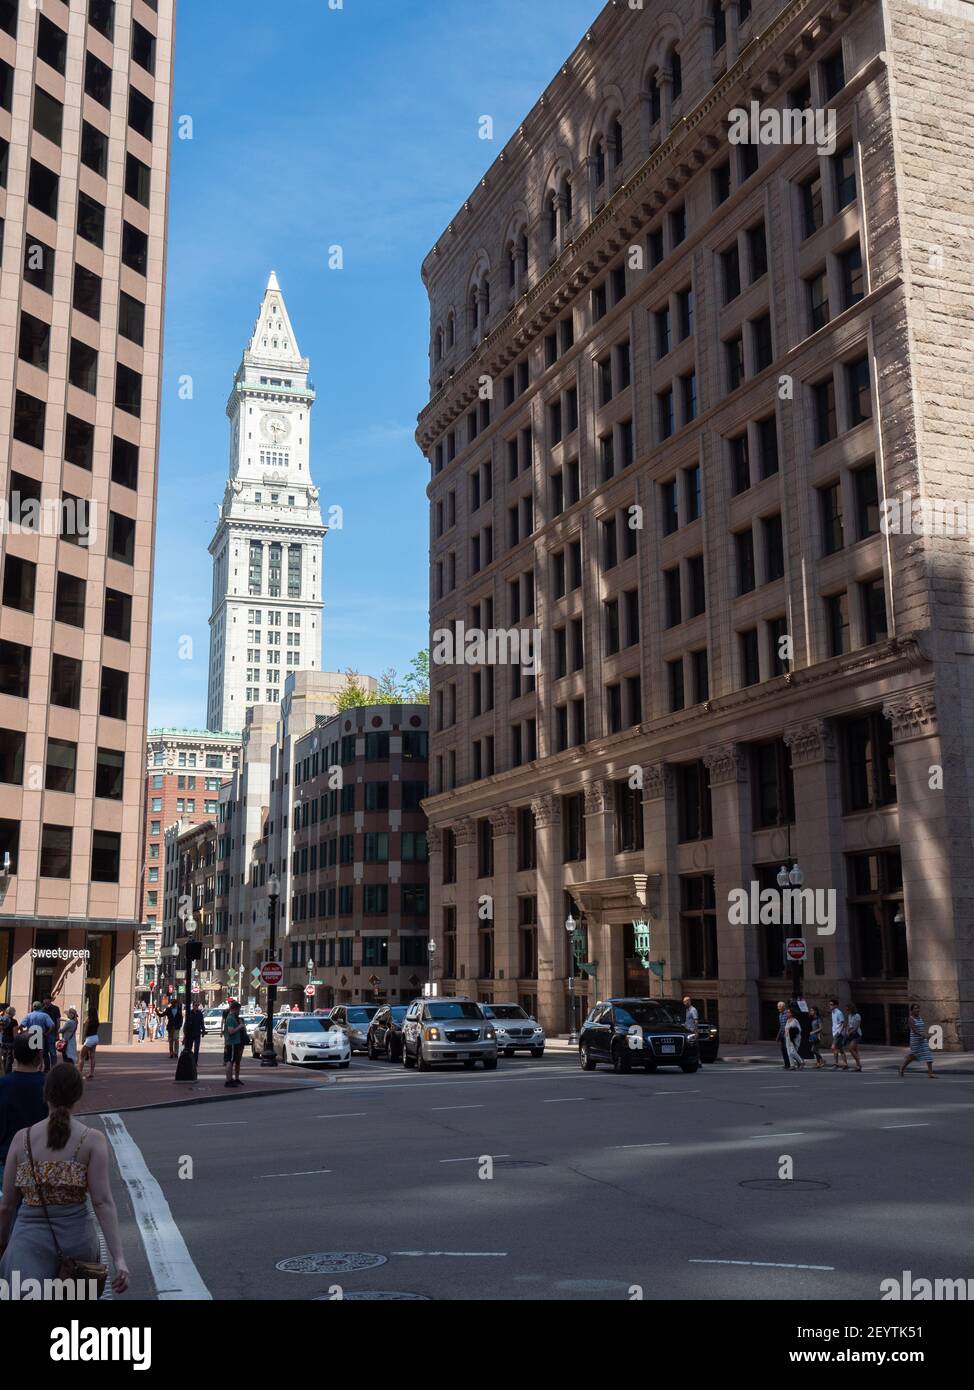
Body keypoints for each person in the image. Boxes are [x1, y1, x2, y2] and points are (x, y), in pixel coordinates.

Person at [0, 1063, 129, 1295]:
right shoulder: (92, 1140)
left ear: (45, 1094)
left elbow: (7, 1205)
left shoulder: (22, 1139)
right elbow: (102, 1202)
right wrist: (119, 1259)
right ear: (78, 1096)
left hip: (27, 1246)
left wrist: (2, 1244)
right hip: (77, 1244)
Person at [0, 1037, 47, 1168]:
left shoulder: (3, 1085)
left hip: (8, 1155)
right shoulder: (49, 1084)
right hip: (42, 1156)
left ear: (14, 1055)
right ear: (38, 1056)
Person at [899, 1004, 936, 1078]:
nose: (917, 1010)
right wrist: (922, 1035)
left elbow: (921, 1028)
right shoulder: (911, 1019)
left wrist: (924, 1035)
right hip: (915, 1040)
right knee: (913, 1056)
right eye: (915, 1008)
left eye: (918, 1008)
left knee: (928, 1055)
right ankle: (902, 1068)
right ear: (912, 1010)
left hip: (922, 1040)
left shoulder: (920, 1018)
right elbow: (914, 1030)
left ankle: (930, 1073)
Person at [19, 1002, 56, 1073]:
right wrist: (47, 1033)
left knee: (31, 1052)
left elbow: (21, 1026)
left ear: (33, 1007)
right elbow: (52, 1025)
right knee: (44, 1053)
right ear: (41, 1007)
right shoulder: (45, 1015)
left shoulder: (28, 1015)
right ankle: (45, 1069)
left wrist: (24, 1033)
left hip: (30, 1036)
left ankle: (31, 1067)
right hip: (41, 1036)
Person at [222, 1000, 246, 1087]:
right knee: (230, 1061)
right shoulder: (231, 1018)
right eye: (238, 1010)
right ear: (235, 1009)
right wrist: (240, 1026)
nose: (239, 1012)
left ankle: (230, 1079)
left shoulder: (231, 1017)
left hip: (234, 1043)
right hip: (232, 1043)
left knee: (231, 1061)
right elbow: (231, 1031)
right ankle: (228, 1080)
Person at [77, 1011, 99, 1081]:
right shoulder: (97, 1021)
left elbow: (85, 1031)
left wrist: (83, 1039)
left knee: (81, 1055)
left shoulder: (88, 1020)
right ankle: (91, 1073)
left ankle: (79, 1073)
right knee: (92, 1056)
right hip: (95, 1037)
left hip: (89, 1038)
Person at [41, 997, 61, 1074]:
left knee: (52, 1051)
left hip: (52, 1032)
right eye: (44, 999)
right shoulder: (42, 1009)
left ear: (50, 1000)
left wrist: (57, 1032)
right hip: (44, 1033)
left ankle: (53, 1068)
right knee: (45, 1052)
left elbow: (58, 1020)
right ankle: (47, 1068)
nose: (45, 1000)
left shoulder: (55, 1008)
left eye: (47, 999)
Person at [828, 997, 848, 1070]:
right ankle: (845, 1064)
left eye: (832, 1004)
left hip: (838, 1033)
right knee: (840, 1049)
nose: (830, 1006)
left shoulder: (839, 1013)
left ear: (836, 1005)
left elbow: (843, 1023)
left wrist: (839, 1032)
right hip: (835, 1032)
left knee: (833, 1047)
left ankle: (836, 1064)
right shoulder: (833, 1013)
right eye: (830, 1004)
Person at [846, 1002, 863, 1072]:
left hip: (857, 1034)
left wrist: (850, 1031)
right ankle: (858, 1066)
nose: (846, 1010)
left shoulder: (857, 1016)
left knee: (850, 1048)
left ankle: (859, 1064)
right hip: (850, 1035)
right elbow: (849, 1024)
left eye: (847, 1009)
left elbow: (857, 1026)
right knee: (855, 1050)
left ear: (851, 1008)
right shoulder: (849, 1015)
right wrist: (847, 1031)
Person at [1, 1007, 17, 1076]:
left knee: (4, 1057)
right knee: (9, 1059)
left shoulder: (2, 1020)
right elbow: (15, 1034)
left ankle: (3, 1072)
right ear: (13, 1013)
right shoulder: (14, 1021)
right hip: (10, 1041)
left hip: (3, 1040)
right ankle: (7, 1074)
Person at [775, 1000, 791, 1069]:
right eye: (778, 1006)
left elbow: (790, 1024)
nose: (778, 1008)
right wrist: (778, 1036)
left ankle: (790, 1064)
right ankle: (786, 1064)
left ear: (783, 1007)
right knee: (783, 1050)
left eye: (779, 1006)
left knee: (787, 1049)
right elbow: (781, 1026)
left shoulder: (787, 1013)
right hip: (782, 1035)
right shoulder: (780, 1015)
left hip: (787, 1035)